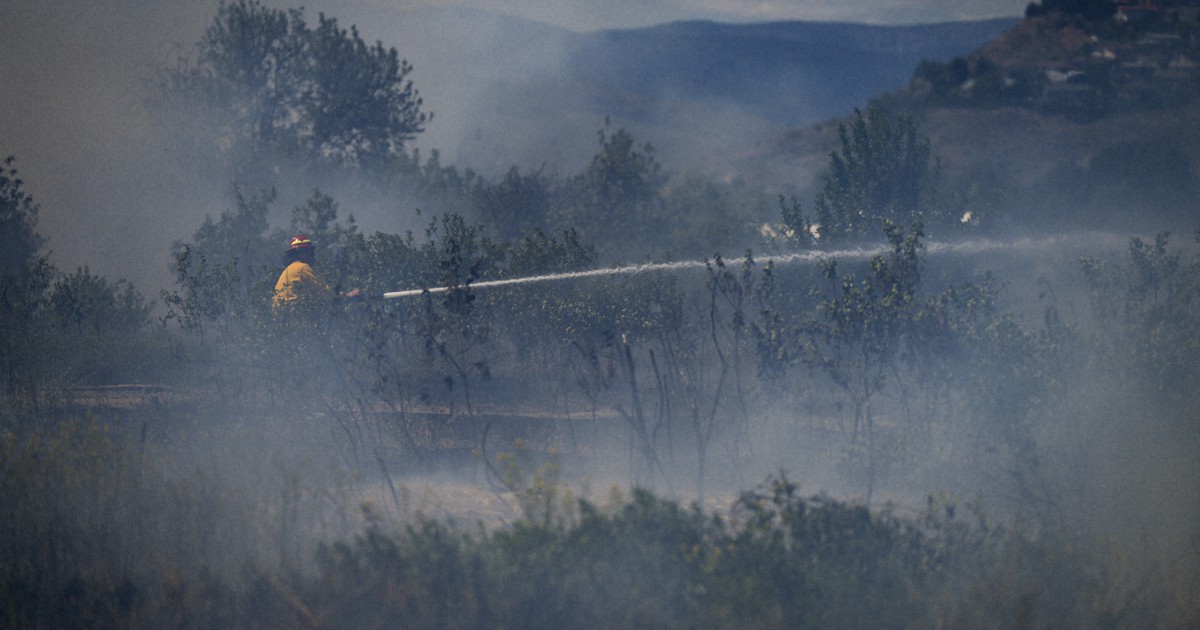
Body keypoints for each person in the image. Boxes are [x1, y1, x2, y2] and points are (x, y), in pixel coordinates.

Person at [273, 234, 360, 308]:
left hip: (281, 315)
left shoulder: (291, 268)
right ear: (298, 254)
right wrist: (347, 296)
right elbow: (322, 291)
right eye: (308, 252)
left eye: (312, 252)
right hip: (293, 316)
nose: (312, 255)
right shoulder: (302, 268)